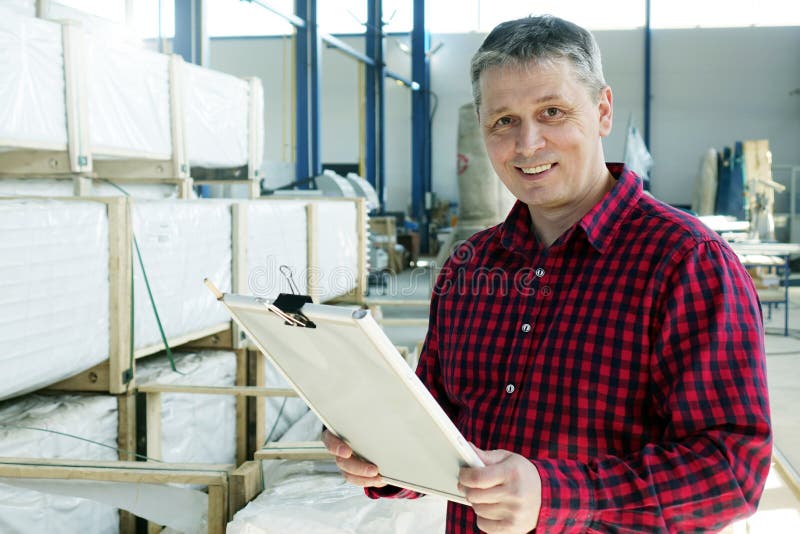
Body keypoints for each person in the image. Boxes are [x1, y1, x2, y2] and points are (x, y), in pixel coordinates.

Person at [324, 15, 771, 533]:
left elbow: (732, 472)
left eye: (552, 112)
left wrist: (556, 495)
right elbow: (437, 429)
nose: (527, 143)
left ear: (603, 111)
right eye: (503, 121)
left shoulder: (686, 263)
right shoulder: (469, 268)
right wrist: (382, 453)